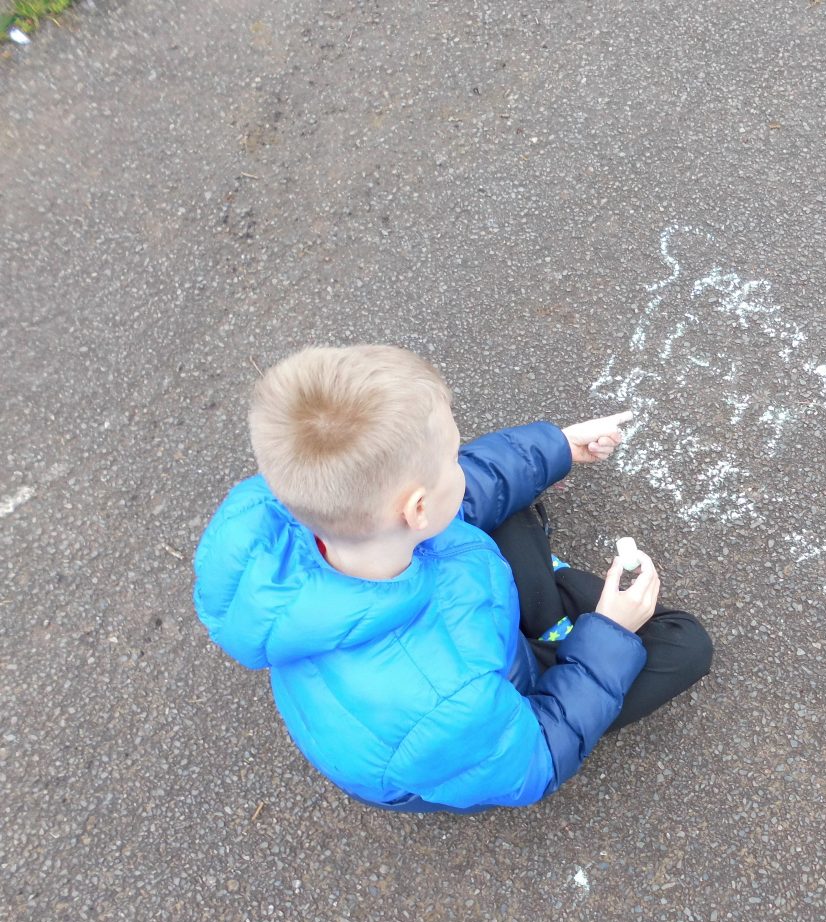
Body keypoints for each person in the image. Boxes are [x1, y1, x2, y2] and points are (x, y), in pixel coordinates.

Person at [193, 345, 712, 814]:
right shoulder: (447, 699)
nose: (459, 463)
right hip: (464, 718)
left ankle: (550, 605)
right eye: (450, 459)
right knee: (683, 646)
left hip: (436, 643)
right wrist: (609, 634)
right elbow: (537, 760)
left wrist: (557, 446)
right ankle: (561, 626)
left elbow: (465, 492)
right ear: (417, 510)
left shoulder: (285, 514)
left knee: (500, 506)